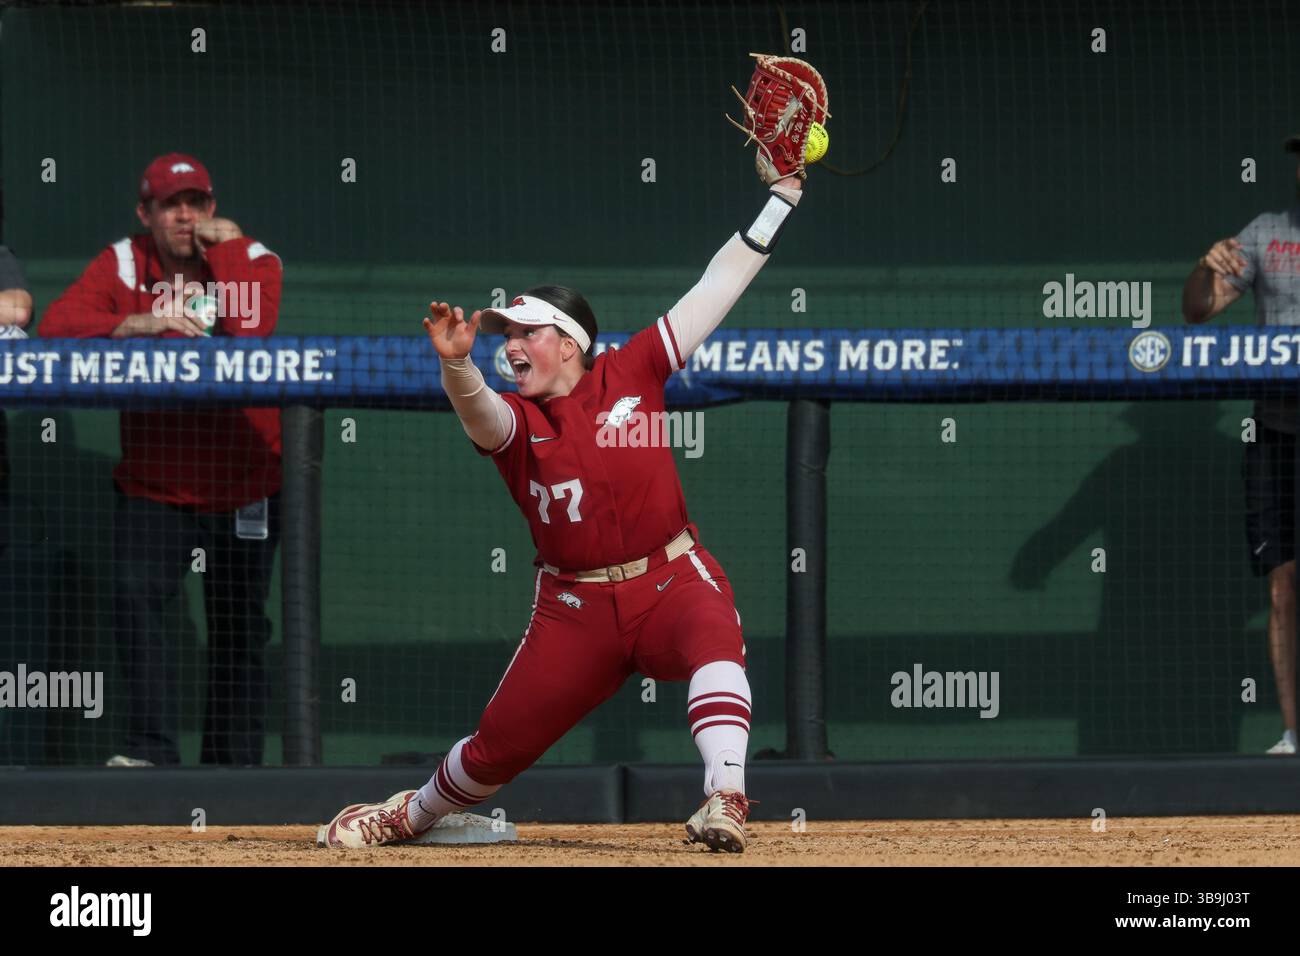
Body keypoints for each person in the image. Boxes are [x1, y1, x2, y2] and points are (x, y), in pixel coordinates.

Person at [319, 169, 804, 852]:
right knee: (497, 748)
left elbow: (717, 287)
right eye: (504, 334)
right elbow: (481, 413)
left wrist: (779, 201)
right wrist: (459, 368)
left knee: (716, 641)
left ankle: (725, 796)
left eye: (526, 332)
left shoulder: (632, 369)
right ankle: (410, 814)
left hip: (670, 578)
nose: (509, 344)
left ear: (569, 343)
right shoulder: (516, 423)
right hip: (575, 608)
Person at [39, 153, 283, 766]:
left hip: (243, 481)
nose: (184, 214)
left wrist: (224, 249)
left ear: (212, 208)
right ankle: (150, 752)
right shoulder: (122, 261)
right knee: (135, 602)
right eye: (170, 204)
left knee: (239, 629)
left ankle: (235, 771)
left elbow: (250, 334)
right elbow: (54, 328)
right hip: (155, 485)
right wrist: (138, 321)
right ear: (144, 213)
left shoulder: (251, 259)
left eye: (195, 202)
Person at [1182, 133, 1300, 755]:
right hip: (1278, 432)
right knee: (1283, 585)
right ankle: (1293, 734)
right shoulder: (1266, 232)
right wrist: (1205, 266)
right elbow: (1198, 312)